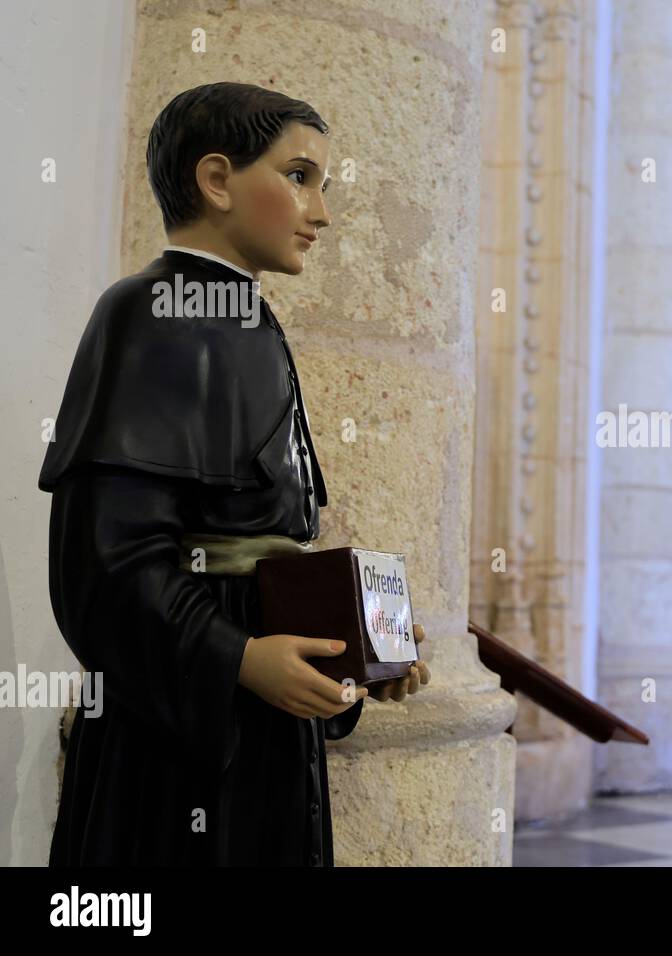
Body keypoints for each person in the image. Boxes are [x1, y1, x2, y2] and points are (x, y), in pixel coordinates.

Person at [39, 82, 430, 866]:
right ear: (217, 181)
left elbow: (266, 545)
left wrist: (353, 648)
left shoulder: (253, 321)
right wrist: (238, 658)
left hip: (258, 737)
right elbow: (101, 567)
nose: (322, 211)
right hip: (170, 752)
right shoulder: (145, 313)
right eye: (299, 177)